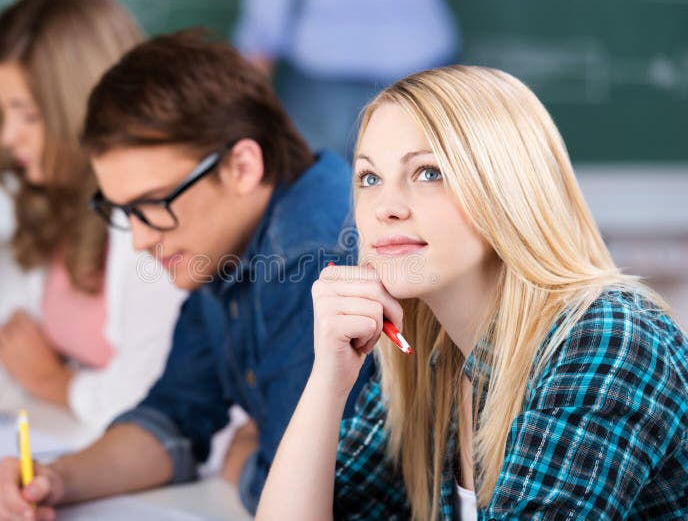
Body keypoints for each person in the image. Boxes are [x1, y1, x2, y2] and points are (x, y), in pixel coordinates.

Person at [257, 65, 688, 520]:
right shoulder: (427, 361)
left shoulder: (610, 336)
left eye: (427, 172)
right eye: (369, 178)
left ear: (507, 189)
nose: (385, 207)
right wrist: (328, 380)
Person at [0, 30, 374, 521]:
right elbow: (172, 416)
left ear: (242, 166)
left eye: (152, 205)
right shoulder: (221, 246)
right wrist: (57, 480)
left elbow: (313, 498)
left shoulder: (313, 263)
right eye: (124, 211)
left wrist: (242, 462)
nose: (141, 240)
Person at [0, 0, 185, 429]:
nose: (8, 137)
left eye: (27, 115)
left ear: (81, 106)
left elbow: (153, 398)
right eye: (2, 114)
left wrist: (52, 381)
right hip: (74, 439)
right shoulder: (56, 201)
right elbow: (13, 349)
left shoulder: (154, 221)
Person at [233, 0, 459, 159]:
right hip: (415, 53)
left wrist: (258, 52)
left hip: (325, 61)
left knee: (323, 191)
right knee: (416, 185)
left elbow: (269, 2)